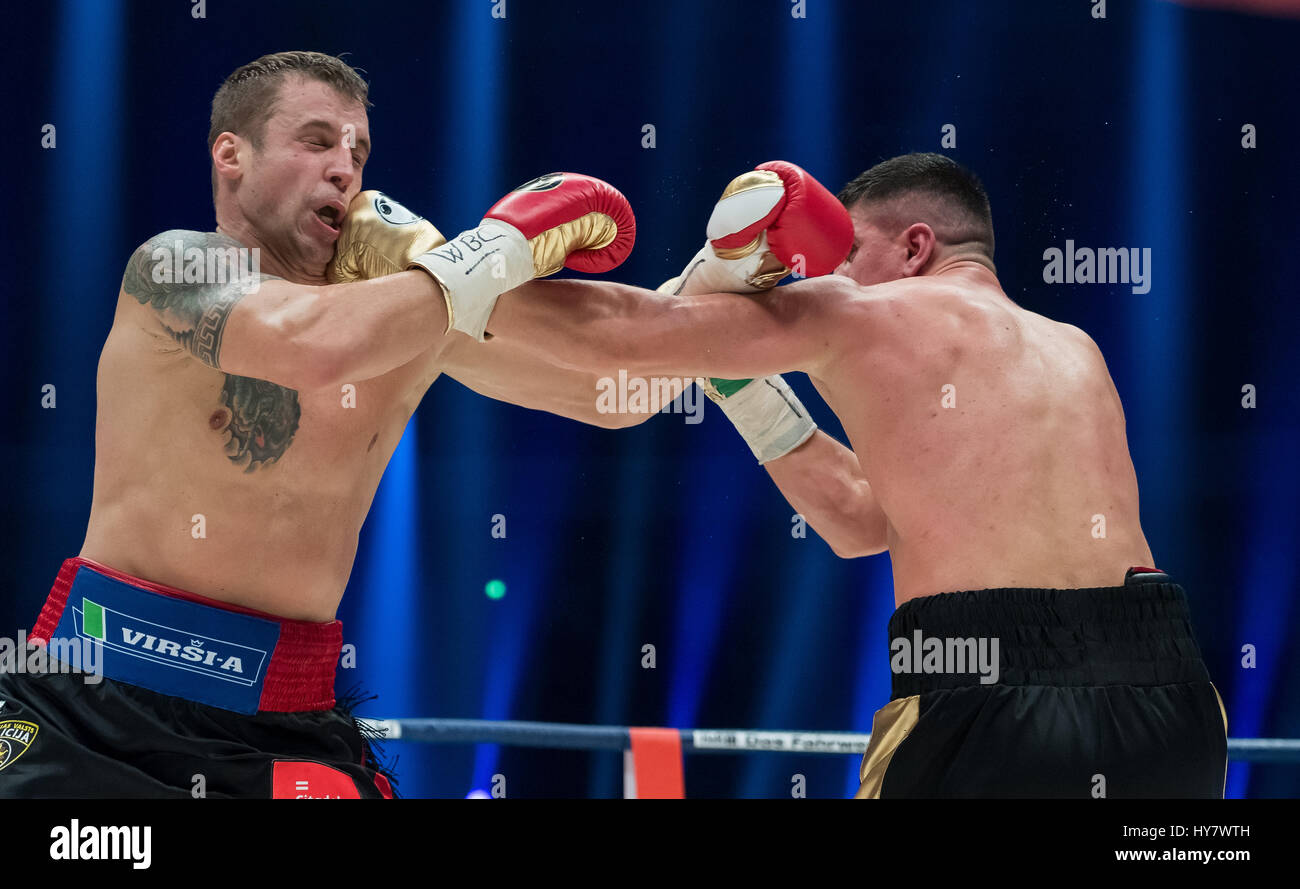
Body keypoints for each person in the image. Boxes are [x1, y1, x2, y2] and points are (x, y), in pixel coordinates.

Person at [485, 153, 1229, 798]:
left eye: (849, 251)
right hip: (1172, 696)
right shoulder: (1077, 349)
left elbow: (621, 336)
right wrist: (742, 387)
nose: (833, 271)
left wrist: (464, 274)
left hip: (987, 696)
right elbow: (858, 520)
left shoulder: (858, 311)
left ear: (913, 246)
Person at [0, 50, 637, 798]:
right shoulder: (173, 267)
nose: (346, 169)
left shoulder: (415, 312)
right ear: (231, 154)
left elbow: (617, 391)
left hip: (288, 722)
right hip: (91, 703)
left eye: (357, 152)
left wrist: (729, 288)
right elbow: (310, 345)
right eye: (316, 140)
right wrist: (492, 249)